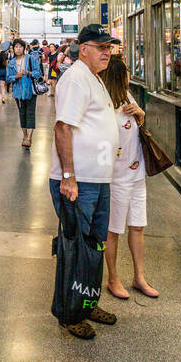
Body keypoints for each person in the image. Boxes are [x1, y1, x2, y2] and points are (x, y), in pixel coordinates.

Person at [50, 23, 122, 339]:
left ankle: (88, 303)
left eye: (109, 47)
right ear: (84, 49)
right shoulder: (76, 78)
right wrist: (69, 177)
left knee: (94, 246)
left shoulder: (94, 78)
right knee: (75, 249)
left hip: (98, 179)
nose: (107, 53)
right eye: (101, 47)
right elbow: (62, 128)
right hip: (79, 182)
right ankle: (69, 314)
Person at [97, 53, 158, 299]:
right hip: (116, 178)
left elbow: (136, 131)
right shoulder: (104, 108)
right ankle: (113, 278)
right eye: (126, 71)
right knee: (113, 231)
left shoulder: (128, 97)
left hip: (137, 174)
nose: (130, 75)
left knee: (137, 226)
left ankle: (139, 277)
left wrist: (141, 115)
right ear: (119, 76)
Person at [7, 38, 42, 148]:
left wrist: (29, 73)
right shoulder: (11, 63)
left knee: (30, 113)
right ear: (13, 49)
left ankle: (29, 138)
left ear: (24, 48)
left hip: (30, 90)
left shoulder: (31, 58)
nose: (18, 49)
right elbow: (8, 78)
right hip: (18, 92)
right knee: (22, 113)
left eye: (20, 47)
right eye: (16, 47)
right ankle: (25, 136)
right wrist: (15, 76)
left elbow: (38, 73)